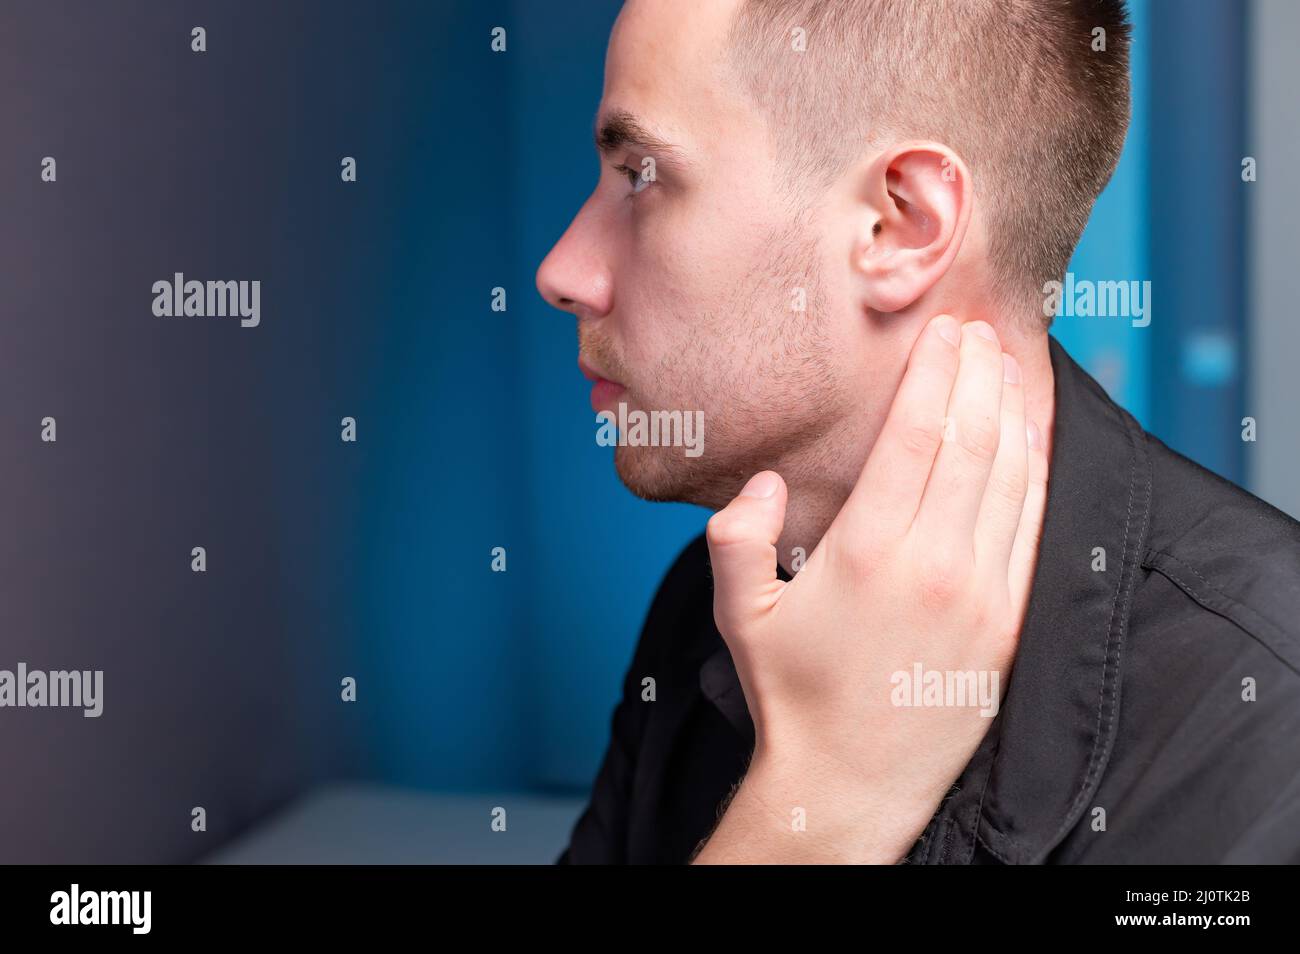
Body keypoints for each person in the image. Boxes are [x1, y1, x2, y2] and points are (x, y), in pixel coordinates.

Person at [535, 0, 1300, 863]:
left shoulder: (1268, 719)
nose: (561, 270)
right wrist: (820, 796)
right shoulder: (711, 607)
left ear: (901, 225)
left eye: (641, 174)